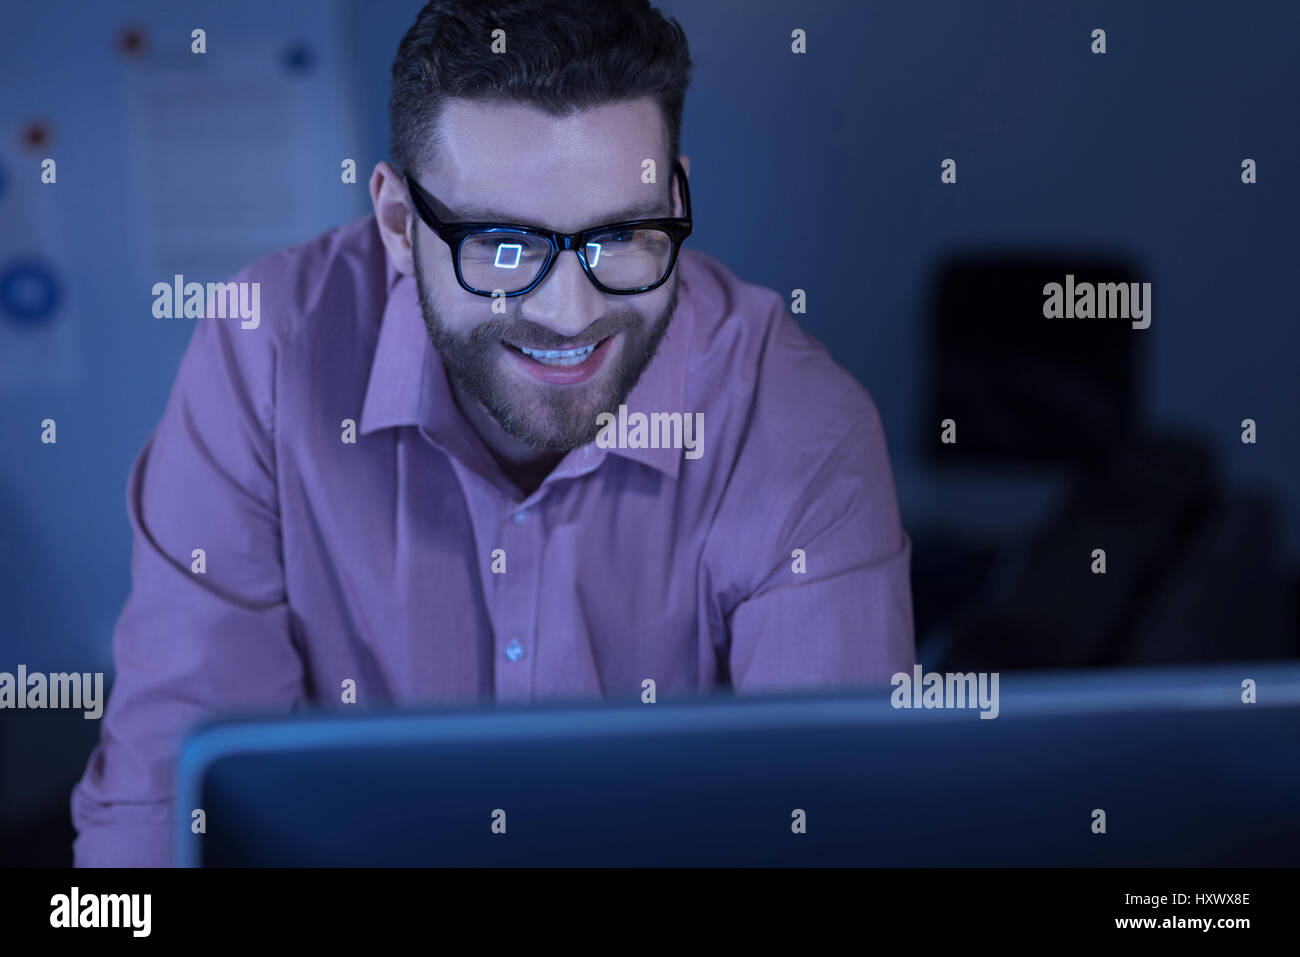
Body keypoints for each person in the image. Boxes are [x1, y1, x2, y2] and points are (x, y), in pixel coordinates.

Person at [71, 0, 914, 867]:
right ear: (400, 226)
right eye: (505, 248)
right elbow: (162, 798)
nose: (571, 314)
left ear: (674, 195)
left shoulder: (800, 424)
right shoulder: (267, 357)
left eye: (621, 234)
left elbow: (834, 827)